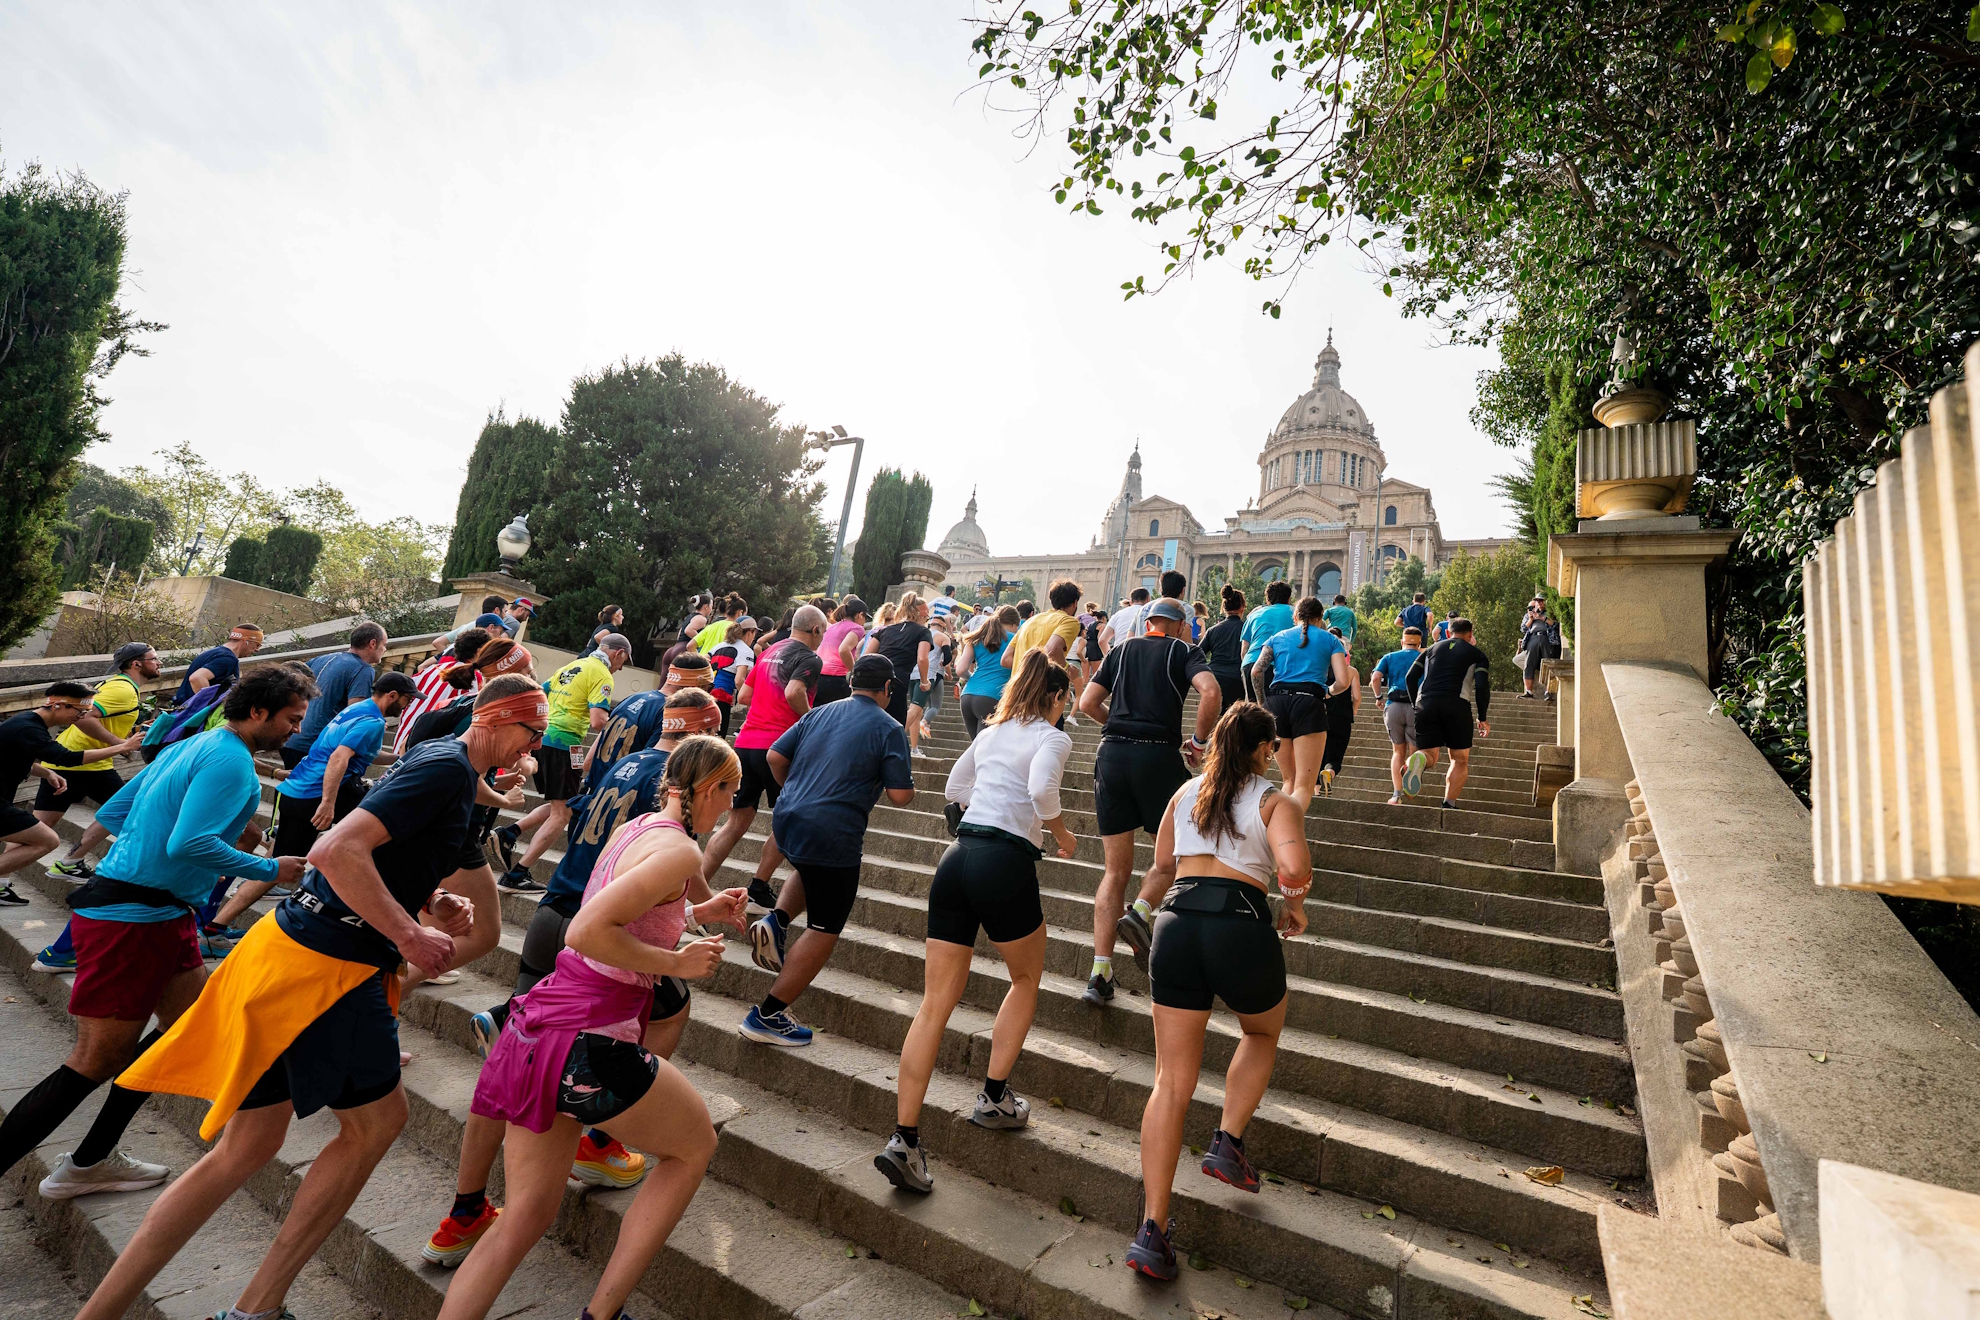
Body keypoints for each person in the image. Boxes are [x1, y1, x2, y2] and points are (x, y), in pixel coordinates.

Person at [79, 676, 541, 1320]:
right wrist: (409, 933)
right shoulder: (444, 768)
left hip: (294, 951)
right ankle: (258, 1307)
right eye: (532, 731)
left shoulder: (446, 771)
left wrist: (428, 901)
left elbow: (372, 856)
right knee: (376, 1125)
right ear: (497, 718)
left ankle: (100, 1313)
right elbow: (333, 848)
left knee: (244, 1150)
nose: (532, 749)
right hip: (331, 968)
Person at [426, 691, 730, 1268]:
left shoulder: (628, 763)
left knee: (505, 1079)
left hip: (557, 908)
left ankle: (465, 1209)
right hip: (598, 940)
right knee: (670, 1006)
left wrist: (697, 911)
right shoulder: (674, 807)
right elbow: (666, 866)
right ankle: (602, 1130)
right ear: (705, 743)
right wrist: (683, 937)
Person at [0, 668, 312, 1200]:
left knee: (187, 1026)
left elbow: (120, 810)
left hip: (159, 913)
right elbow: (189, 845)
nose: (294, 731)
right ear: (258, 712)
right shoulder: (233, 763)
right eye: (291, 719)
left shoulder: (196, 744)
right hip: (133, 921)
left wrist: (172, 844)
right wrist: (270, 869)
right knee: (93, 1061)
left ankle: (92, 1159)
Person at [1121, 703, 1310, 1281]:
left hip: (1176, 927)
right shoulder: (1272, 801)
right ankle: (1227, 1140)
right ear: (1264, 749)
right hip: (1239, 924)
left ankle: (1152, 1229)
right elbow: (1294, 867)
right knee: (1261, 1030)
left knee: (1169, 1081)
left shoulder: (1186, 795)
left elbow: (1159, 868)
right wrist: (1294, 904)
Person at [875, 652, 1076, 1193]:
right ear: (1055, 698)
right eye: (1066, 701)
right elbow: (1040, 791)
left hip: (958, 857)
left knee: (934, 1004)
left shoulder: (992, 732)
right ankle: (994, 1097)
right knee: (1026, 979)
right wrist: (1061, 834)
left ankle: (905, 1139)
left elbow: (954, 790)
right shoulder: (1052, 738)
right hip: (1005, 861)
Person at [740, 655, 914, 1046]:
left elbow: (774, 756)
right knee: (825, 928)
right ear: (887, 689)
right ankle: (767, 1014)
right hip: (835, 829)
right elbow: (901, 795)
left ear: (852, 682)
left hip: (789, 818)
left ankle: (778, 920)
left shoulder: (819, 713)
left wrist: (796, 794)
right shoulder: (889, 727)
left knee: (809, 867)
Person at [1076, 598, 1220, 1006]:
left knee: (1113, 872)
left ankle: (1099, 974)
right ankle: (1139, 914)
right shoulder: (1183, 650)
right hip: (1157, 757)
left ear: (1148, 621)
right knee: (1173, 855)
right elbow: (1211, 691)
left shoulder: (1120, 650)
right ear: (1178, 625)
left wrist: (1120, 725)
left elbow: (1086, 703)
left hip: (1112, 757)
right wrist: (1198, 741)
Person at [246, 672, 422, 917]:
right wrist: (328, 803)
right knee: (381, 833)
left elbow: (364, 752)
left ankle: (225, 915)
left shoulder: (357, 710)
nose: (409, 704)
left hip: (298, 788)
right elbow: (339, 757)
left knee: (285, 858)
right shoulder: (373, 722)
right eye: (407, 699)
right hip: (315, 793)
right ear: (392, 696)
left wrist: (399, 758)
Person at [700, 605, 830, 917]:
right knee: (787, 820)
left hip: (745, 745)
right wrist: (812, 720)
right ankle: (759, 885)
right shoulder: (810, 658)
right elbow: (794, 691)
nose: (821, 639)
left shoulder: (769, 652)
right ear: (815, 631)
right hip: (779, 749)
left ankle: (697, 887)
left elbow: (743, 696)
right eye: (822, 633)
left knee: (735, 822)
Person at [498, 634, 632, 893]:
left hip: (547, 740)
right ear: (619, 654)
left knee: (565, 800)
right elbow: (597, 721)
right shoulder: (602, 674)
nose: (622, 667)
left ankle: (510, 832)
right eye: (623, 661)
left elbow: (538, 694)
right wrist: (627, 733)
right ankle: (516, 874)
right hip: (567, 744)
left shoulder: (570, 666)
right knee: (564, 812)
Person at [0, 684, 143, 907]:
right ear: (58, 705)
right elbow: (67, 758)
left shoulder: (27, 723)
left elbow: (14, 756)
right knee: (47, 840)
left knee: (41, 837)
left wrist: (46, 772)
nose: (82, 717)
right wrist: (121, 746)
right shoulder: (27, 728)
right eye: (80, 711)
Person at [38, 642, 162, 879]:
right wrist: (119, 743)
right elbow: (83, 718)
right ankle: (70, 862)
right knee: (124, 808)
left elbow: (99, 719)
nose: (158, 663)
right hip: (86, 762)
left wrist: (129, 734)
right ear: (136, 663)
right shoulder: (123, 690)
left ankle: (3, 881)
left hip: (67, 760)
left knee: (37, 828)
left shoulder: (121, 685)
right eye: (154, 658)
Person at [1250, 597, 1352, 808]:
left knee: (1289, 780)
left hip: (1276, 704)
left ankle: (1273, 829)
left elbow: (1256, 670)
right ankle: (1290, 831)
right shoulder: (1331, 640)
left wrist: (1262, 705)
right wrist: (1328, 693)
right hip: (1308, 703)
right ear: (1321, 618)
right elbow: (1343, 681)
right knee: (1304, 786)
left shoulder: (1277, 637)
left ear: (1295, 616)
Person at [1405, 617, 1492, 810]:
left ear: (1447, 633)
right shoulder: (1476, 654)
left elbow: (1410, 677)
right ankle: (1449, 803)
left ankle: (1415, 761)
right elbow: (1482, 686)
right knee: (1459, 759)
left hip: (1425, 703)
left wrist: (1415, 704)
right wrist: (1482, 716)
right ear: (1470, 635)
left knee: (1428, 754)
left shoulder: (1430, 650)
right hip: (1457, 705)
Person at [282, 624, 386, 770]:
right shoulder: (363, 669)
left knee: (290, 788)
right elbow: (356, 713)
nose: (384, 650)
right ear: (373, 643)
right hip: (317, 745)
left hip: (292, 739)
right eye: (384, 645)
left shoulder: (321, 659)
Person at [861, 590, 933, 745]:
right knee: (894, 726)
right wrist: (925, 681)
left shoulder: (884, 630)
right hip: (897, 680)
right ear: (922, 614)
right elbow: (922, 658)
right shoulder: (923, 632)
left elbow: (866, 656)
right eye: (927, 617)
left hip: (874, 678)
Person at [1371, 627, 1432, 804]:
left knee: (1397, 751)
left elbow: (1376, 678)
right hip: (1416, 706)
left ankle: (1396, 794)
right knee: (1415, 752)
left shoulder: (1390, 656)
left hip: (1394, 706)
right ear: (1420, 642)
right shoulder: (1426, 657)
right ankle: (1411, 787)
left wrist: (1378, 697)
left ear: (1402, 641)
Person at [954, 605, 1020, 739]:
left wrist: (971, 677)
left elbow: (960, 670)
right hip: (993, 697)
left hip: (968, 695)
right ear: (1014, 624)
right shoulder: (1016, 639)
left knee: (977, 748)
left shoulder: (978, 638)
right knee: (986, 750)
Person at [171, 623, 262, 703]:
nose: (257, 650)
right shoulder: (228, 659)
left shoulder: (215, 652)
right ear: (246, 641)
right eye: (257, 644)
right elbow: (196, 678)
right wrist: (209, 706)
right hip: (191, 718)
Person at [1319, 627, 1360, 794]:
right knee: (1335, 755)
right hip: (1342, 717)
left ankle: (1317, 791)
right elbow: (1357, 696)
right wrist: (1354, 711)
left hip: (1320, 715)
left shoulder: (1319, 669)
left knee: (1318, 754)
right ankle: (1329, 773)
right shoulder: (1351, 671)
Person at [1238, 581, 1294, 702]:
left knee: (1253, 714)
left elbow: (1244, 651)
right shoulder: (1296, 614)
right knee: (1277, 712)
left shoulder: (1254, 615)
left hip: (1251, 663)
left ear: (1267, 599)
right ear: (1289, 598)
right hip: (1281, 666)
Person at [708, 616, 759, 738]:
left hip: (709, 693)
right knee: (718, 737)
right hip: (723, 696)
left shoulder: (720, 646)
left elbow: (704, 660)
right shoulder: (746, 651)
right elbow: (739, 680)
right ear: (750, 632)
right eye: (755, 633)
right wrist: (747, 700)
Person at [1200, 586, 1246, 713]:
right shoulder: (1247, 629)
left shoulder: (1213, 630)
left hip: (1214, 679)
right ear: (1242, 607)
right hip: (1237, 680)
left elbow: (1198, 654)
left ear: (1224, 608)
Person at [816, 595, 868, 706]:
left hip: (818, 677)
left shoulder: (832, 627)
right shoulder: (857, 628)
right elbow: (844, 650)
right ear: (860, 615)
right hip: (835, 679)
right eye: (865, 617)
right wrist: (855, 671)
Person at [1521, 603, 1562, 700]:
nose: (1538, 604)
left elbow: (1556, 625)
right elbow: (1523, 629)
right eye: (1531, 606)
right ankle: (1529, 691)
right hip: (1533, 638)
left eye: (1540, 601)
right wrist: (1531, 619)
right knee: (1528, 664)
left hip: (1547, 639)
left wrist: (1542, 618)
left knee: (1549, 664)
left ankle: (1548, 691)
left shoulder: (1550, 613)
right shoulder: (1528, 615)